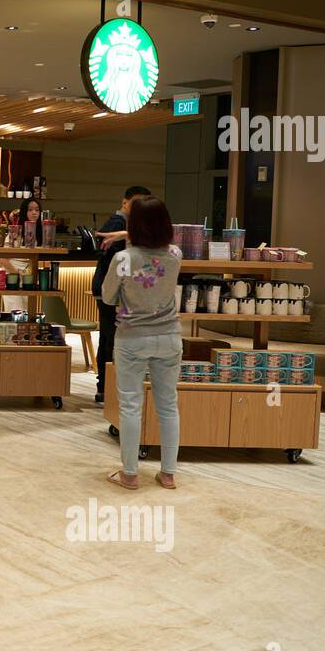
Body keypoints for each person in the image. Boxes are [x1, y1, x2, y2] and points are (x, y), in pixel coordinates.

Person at [101, 196, 182, 490]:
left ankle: (131, 474)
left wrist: (126, 240)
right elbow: (158, 242)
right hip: (169, 337)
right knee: (168, 405)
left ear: (133, 226)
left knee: (131, 406)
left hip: (133, 339)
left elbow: (108, 297)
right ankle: (169, 474)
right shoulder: (175, 254)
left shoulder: (123, 260)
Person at [91, 185, 152, 403]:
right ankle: (106, 388)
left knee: (108, 337)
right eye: (135, 203)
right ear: (124, 202)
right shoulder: (118, 223)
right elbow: (117, 261)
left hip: (108, 288)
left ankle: (104, 387)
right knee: (111, 339)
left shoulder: (125, 225)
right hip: (110, 290)